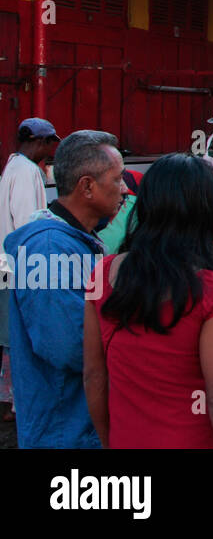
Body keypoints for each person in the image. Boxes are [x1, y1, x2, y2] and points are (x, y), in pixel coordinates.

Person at [82, 154, 213, 448]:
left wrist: (111, 441)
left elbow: (94, 376)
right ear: (203, 212)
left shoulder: (101, 274)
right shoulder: (212, 289)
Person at [5, 130, 125, 448]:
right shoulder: (48, 247)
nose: (125, 189)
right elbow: (68, 346)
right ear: (87, 186)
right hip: (63, 430)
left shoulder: (70, 240)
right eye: (117, 179)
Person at [0, 118, 59, 413]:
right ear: (40, 142)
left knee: (9, 335)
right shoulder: (25, 171)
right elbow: (27, 226)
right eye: (50, 144)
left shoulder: (14, 165)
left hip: (8, 265)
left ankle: (11, 398)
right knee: (16, 335)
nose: (50, 151)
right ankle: (16, 401)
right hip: (19, 267)